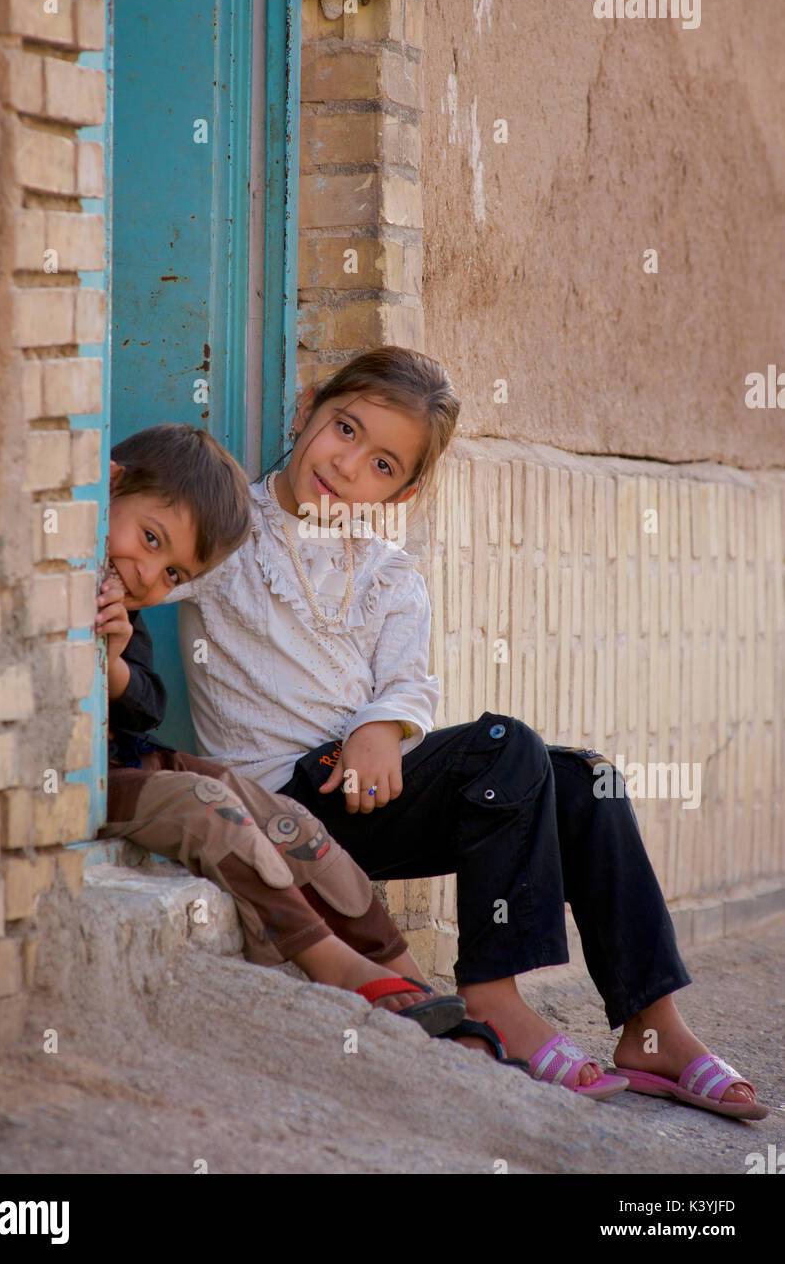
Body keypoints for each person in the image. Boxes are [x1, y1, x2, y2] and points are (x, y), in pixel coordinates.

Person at [169, 349, 769, 1117]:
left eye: (381, 462)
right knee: (504, 743)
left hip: (375, 795)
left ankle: (653, 1026)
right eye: (343, 429)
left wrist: (381, 726)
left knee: (584, 779)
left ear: (403, 488)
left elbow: (407, 681)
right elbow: (151, 541)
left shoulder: (387, 573)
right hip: (284, 805)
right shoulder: (231, 530)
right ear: (307, 409)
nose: (347, 463)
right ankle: (490, 996)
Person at [93, 422, 467, 1038]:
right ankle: (333, 964)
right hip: (85, 780)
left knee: (289, 822)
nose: (145, 573)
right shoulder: (59, 572)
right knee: (208, 804)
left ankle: (408, 976)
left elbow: (147, 702)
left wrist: (114, 665)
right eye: (150, 538)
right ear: (108, 484)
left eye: (173, 575)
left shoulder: (124, 603)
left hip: (135, 760)